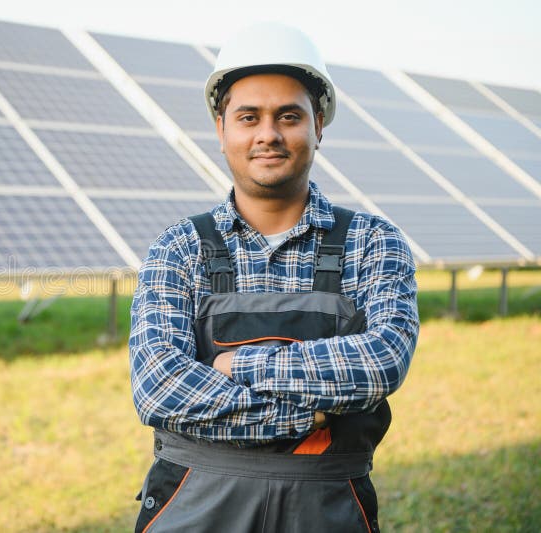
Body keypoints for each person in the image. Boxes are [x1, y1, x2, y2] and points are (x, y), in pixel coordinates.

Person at [129, 21, 419, 533]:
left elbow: (379, 365)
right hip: (194, 507)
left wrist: (237, 363)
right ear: (222, 131)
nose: (269, 134)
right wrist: (308, 417)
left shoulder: (374, 242)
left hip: (327, 510)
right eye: (249, 117)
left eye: (289, 116)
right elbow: (159, 388)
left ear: (318, 127)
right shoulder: (179, 248)